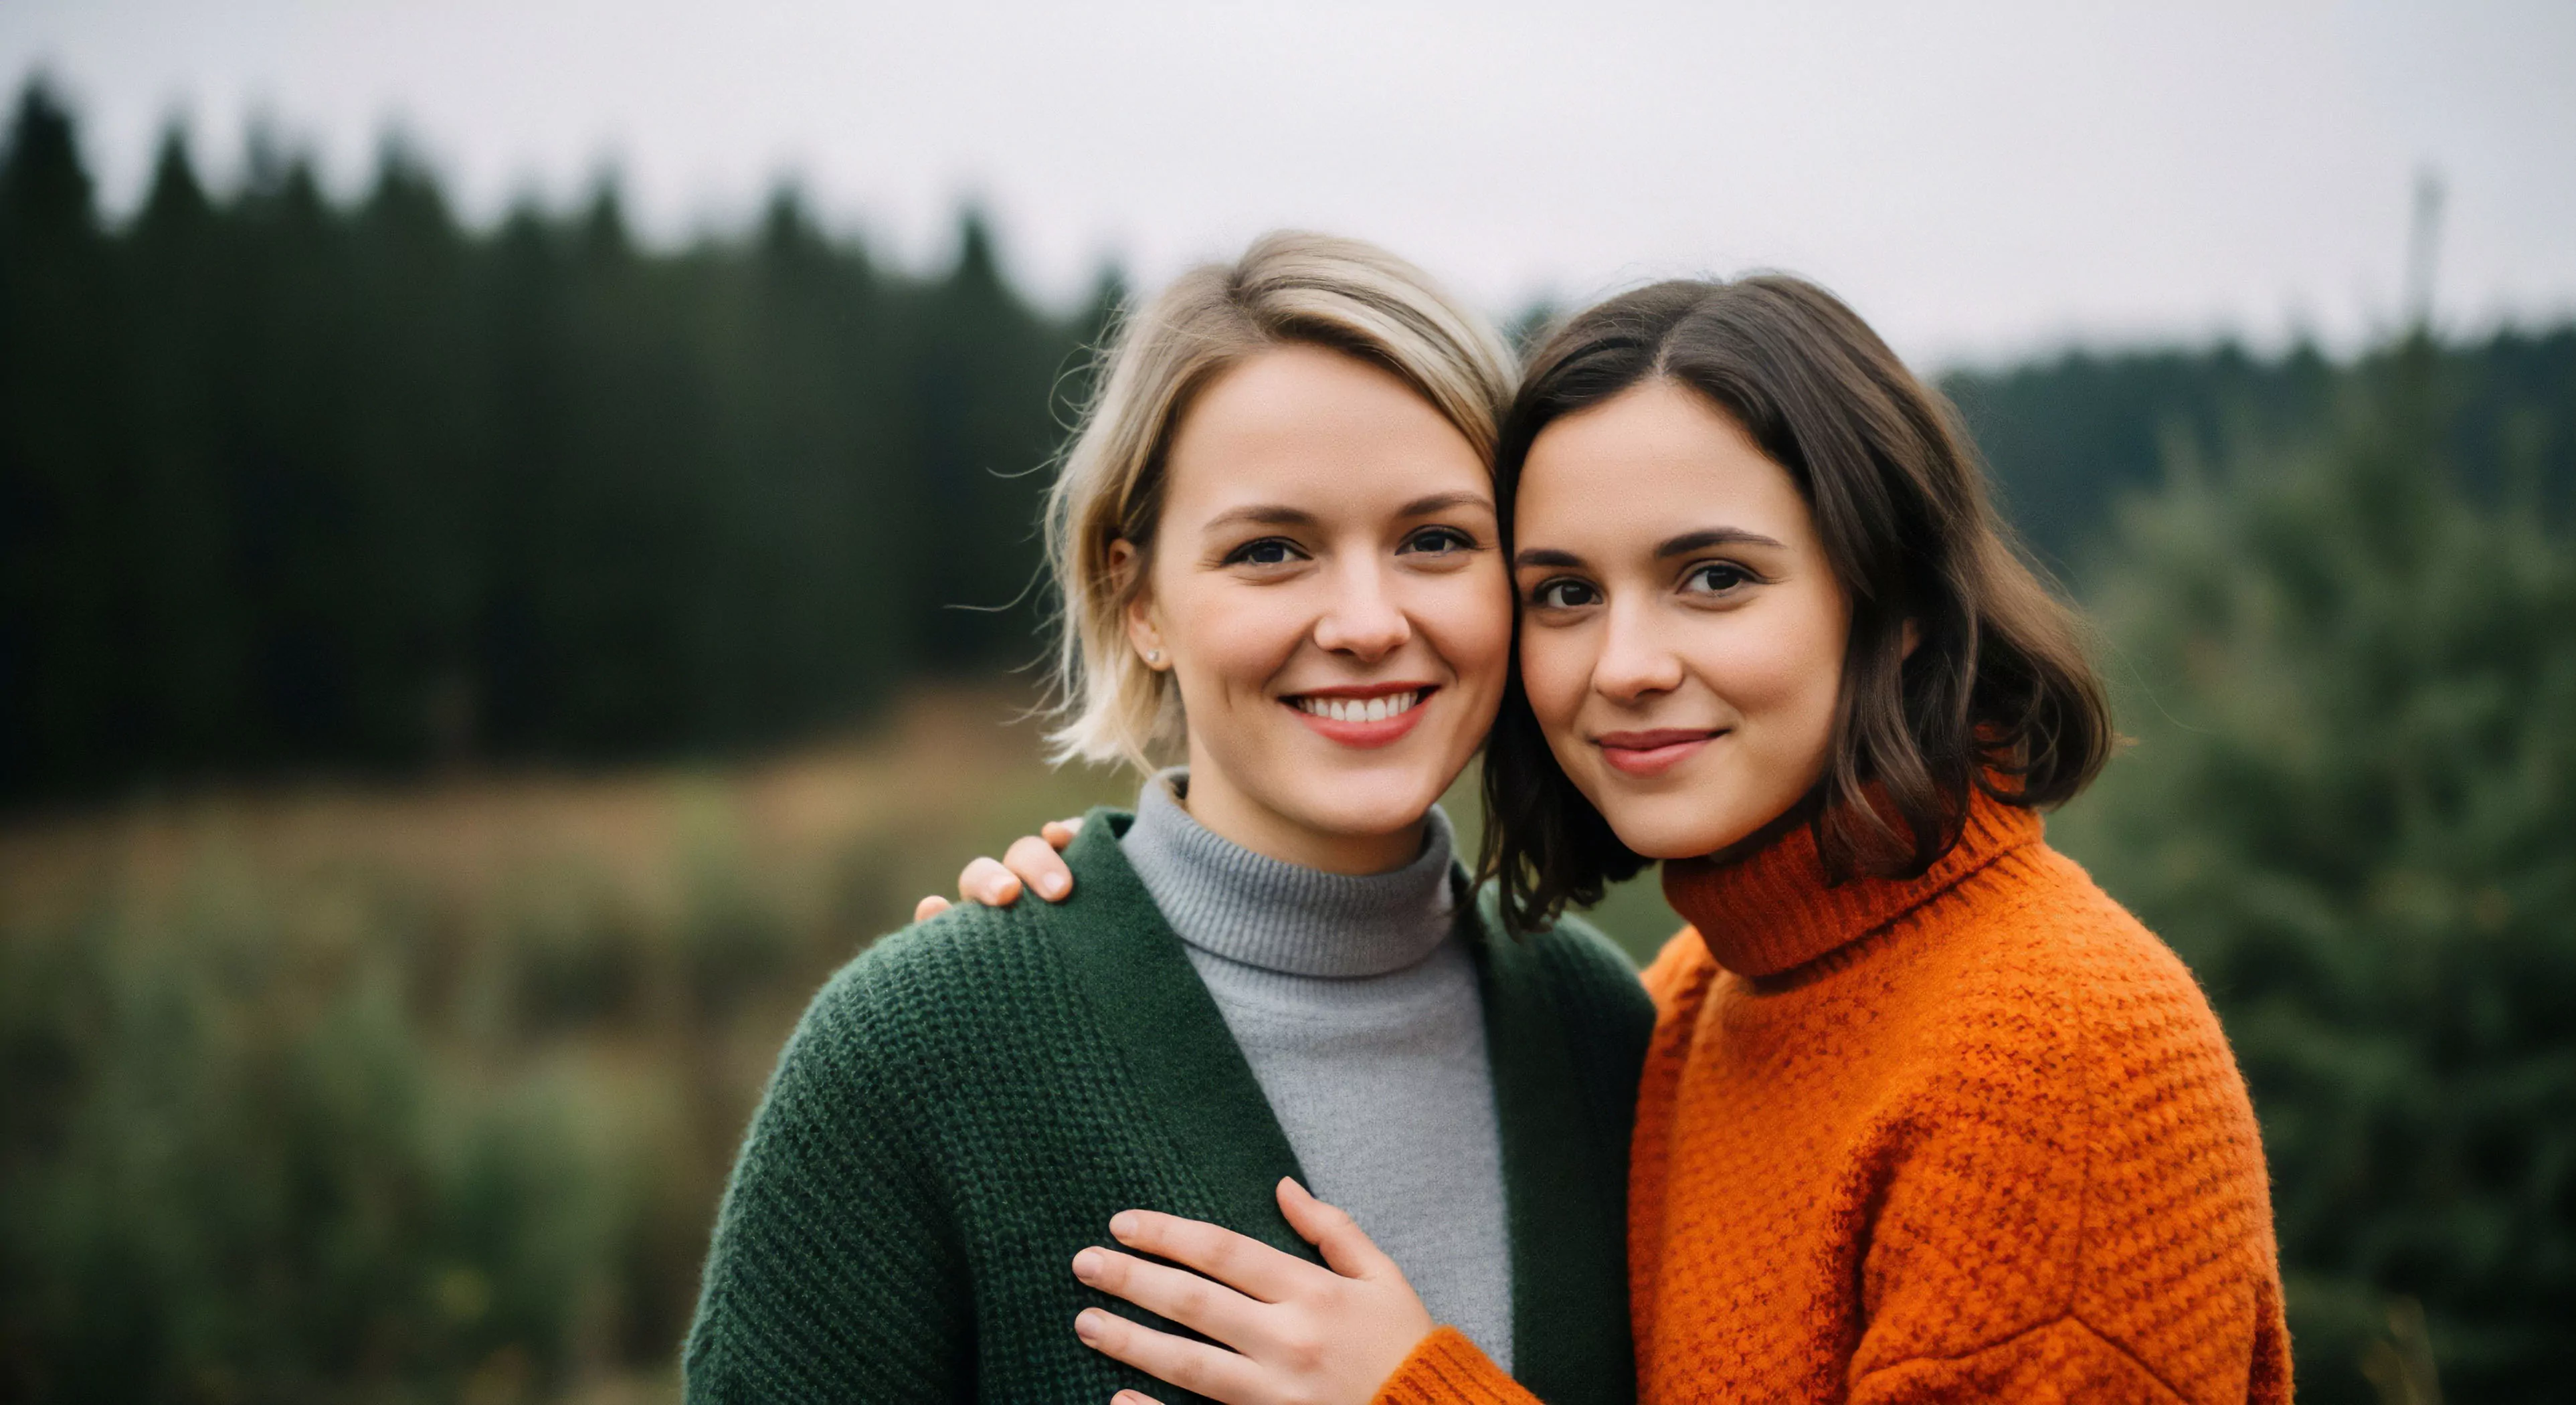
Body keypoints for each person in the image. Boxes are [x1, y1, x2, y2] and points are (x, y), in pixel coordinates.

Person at [953, 276, 2292, 1404]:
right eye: (1563, 593)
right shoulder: (1688, 1006)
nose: (1625, 665)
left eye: (1714, 578)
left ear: (1893, 609)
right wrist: (1090, 938)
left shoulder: (2063, 1060)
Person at [681, 233, 1651, 1404]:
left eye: (1434, 541)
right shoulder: (913, 1052)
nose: (1364, 622)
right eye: (1270, 551)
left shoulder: (1608, 1035)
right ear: (1135, 598)